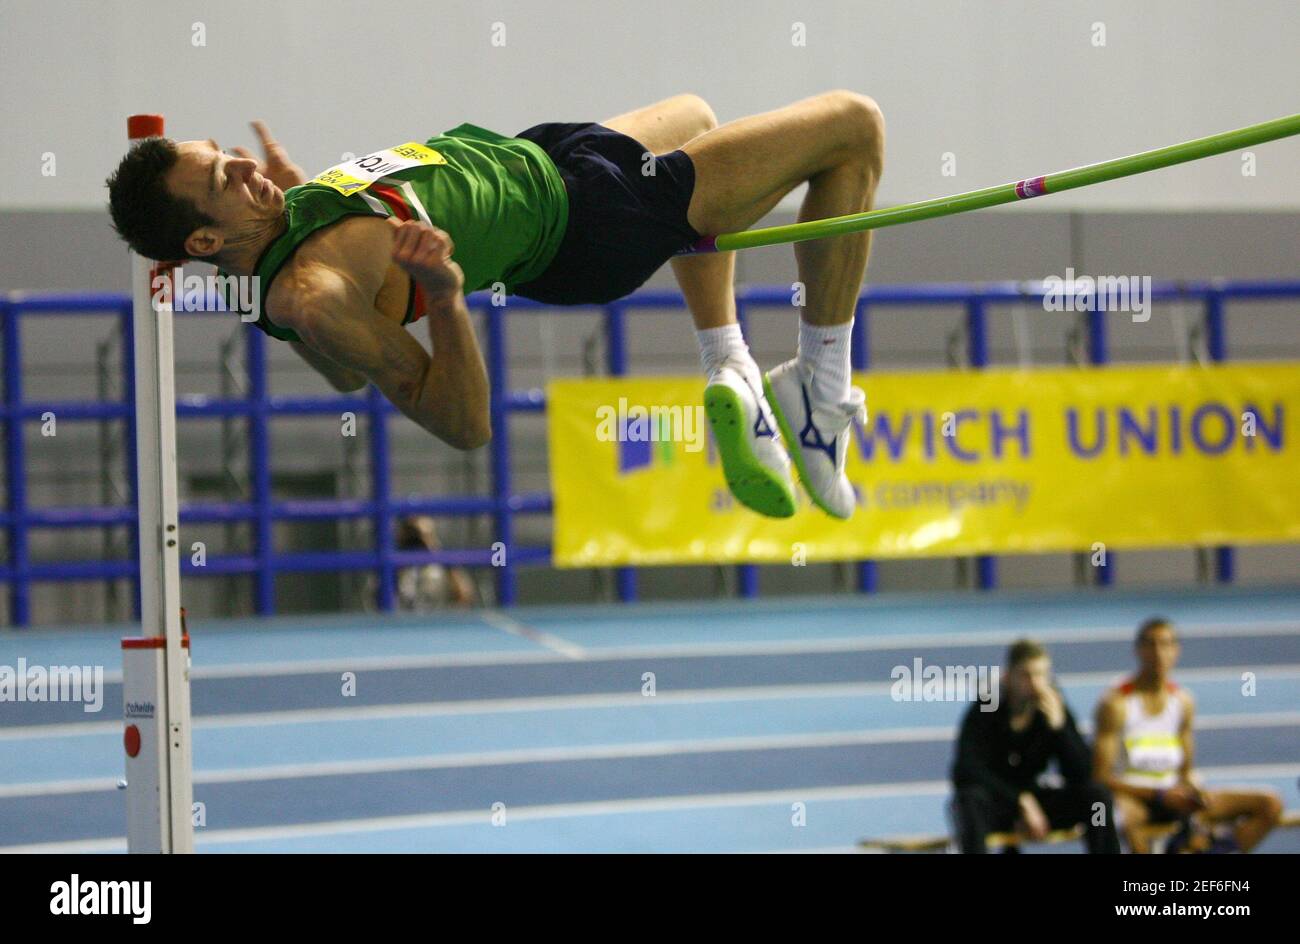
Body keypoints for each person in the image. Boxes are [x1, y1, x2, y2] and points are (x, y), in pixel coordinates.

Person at [105, 93, 885, 521]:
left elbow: (347, 374)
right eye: (221, 181)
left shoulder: (269, 255)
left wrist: (299, 200)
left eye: (224, 154)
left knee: (695, 112)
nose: (242, 166)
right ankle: (817, 395)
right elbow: (466, 424)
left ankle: (732, 365)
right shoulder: (311, 293)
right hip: (587, 221)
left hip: (546, 155)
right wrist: (444, 299)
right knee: (854, 128)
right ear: (204, 242)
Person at [1093, 617, 1283, 853]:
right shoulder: (1116, 703)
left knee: (1269, 805)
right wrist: (1160, 795)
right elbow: (1100, 777)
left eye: (1165, 645)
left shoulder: (1183, 701)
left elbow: (1185, 770)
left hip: (1176, 796)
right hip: (1134, 798)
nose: (1158, 653)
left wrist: (1193, 788)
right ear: (1138, 650)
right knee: (1119, 819)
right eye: (1151, 645)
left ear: (1176, 651)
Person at [952, 639, 1120, 853]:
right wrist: (1020, 801)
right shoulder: (986, 708)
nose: (1035, 683)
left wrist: (1061, 730)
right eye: (1026, 675)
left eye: (1041, 675)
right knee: (969, 800)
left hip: (1040, 804)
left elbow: (1083, 774)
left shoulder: (1053, 709)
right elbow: (965, 770)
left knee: (1098, 799)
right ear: (1008, 676)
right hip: (997, 804)